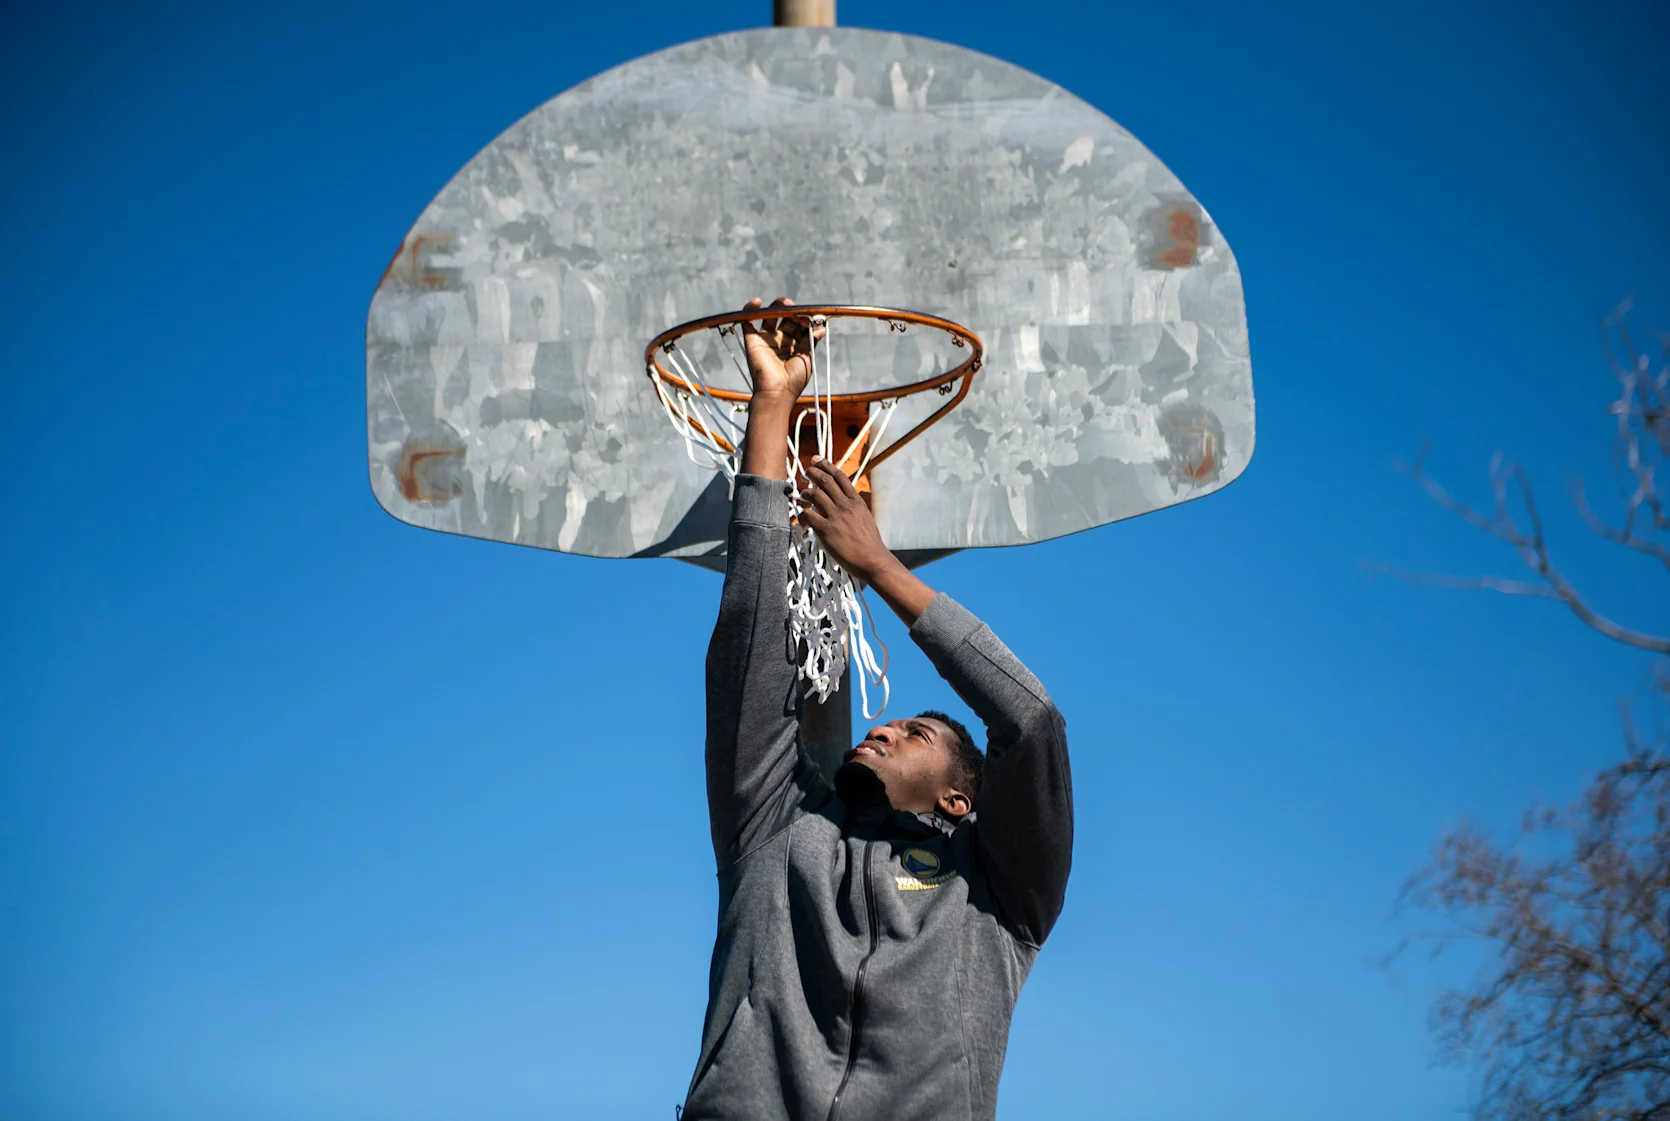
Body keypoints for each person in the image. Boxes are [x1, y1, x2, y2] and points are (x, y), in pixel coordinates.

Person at [682, 298, 1073, 1121]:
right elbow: (748, 642)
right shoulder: (774, 828)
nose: (882, 726)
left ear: (960, 799)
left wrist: (881, 567)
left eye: (918, 731)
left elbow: (1031, 724)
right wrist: (773, 405)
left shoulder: (999, 890)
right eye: (893, 721)